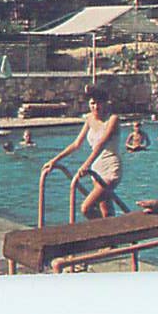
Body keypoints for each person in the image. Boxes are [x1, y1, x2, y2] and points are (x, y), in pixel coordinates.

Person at [42, 85, 122, 219]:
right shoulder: (89, 119)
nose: (96, 107)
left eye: (99, 103)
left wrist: (86, 164)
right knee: (106, 213)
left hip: (110, 169)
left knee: (86, 208)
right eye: (92, 103)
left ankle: (105, 233)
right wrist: (54, 160)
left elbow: (102, 144)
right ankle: (110, 234)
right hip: (97, 170)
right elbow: (76, 144)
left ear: (105, 104)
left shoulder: (113, 119)